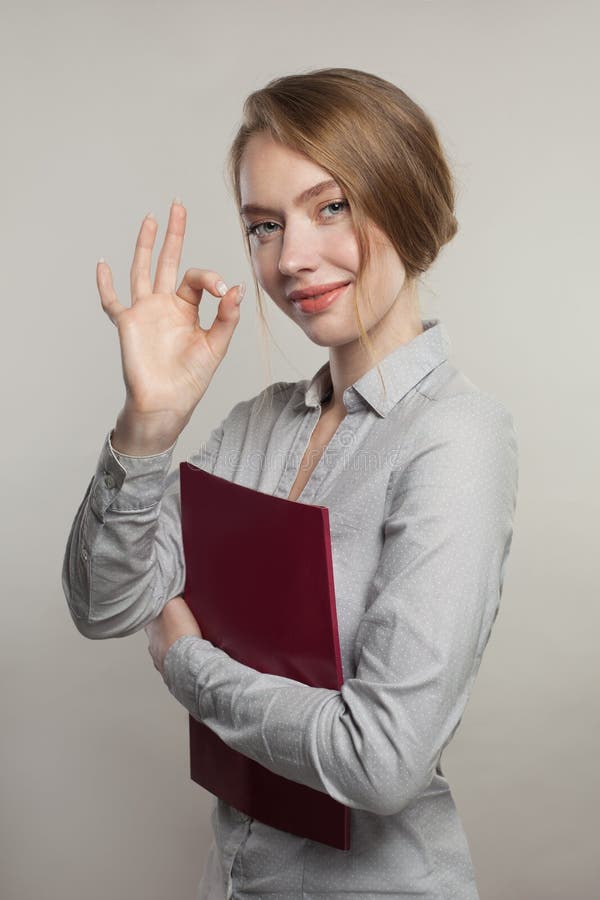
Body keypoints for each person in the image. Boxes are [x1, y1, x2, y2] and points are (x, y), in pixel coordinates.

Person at [62, 67, 519, 900]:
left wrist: (186, 662)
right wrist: (148, 427)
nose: (293, 259)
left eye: (330, 206)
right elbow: (106, 605)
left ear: (405, 197)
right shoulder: (261, 423)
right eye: (264, 226)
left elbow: (380, 761)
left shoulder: (456, 438)